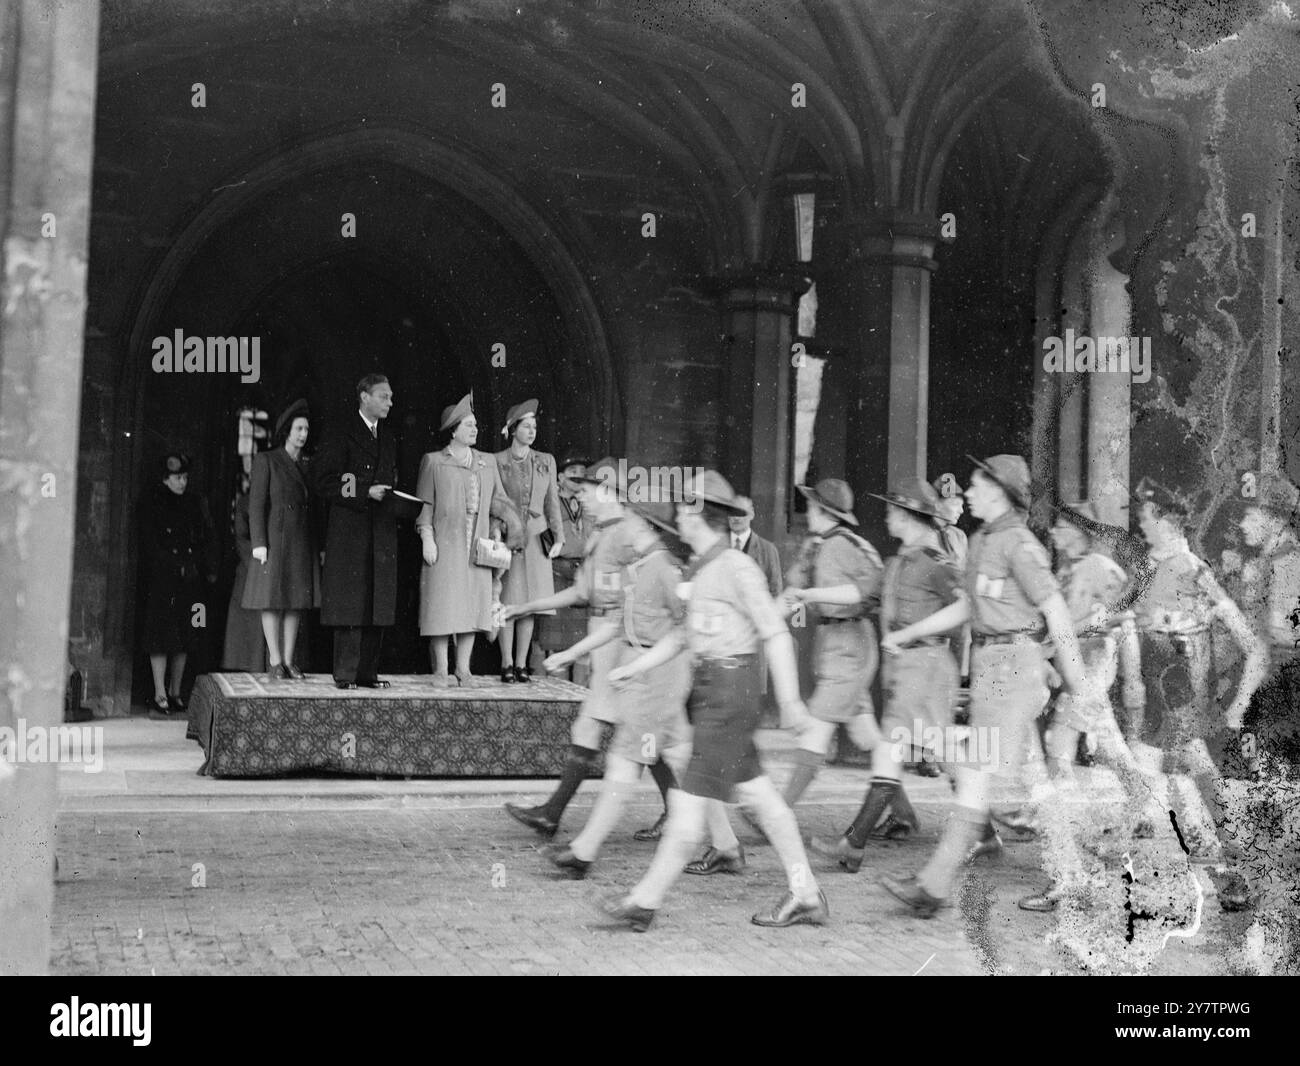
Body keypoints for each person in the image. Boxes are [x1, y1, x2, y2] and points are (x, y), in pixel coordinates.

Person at [596, 469, 828, 932]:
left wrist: (792, 705)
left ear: (700, 514)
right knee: (762, 797)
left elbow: (776, 634)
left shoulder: (737, 568)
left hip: (731, 691)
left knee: (688, 804)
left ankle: (645, 900)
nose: (678, 515)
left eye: (684, 507)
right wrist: (634, 667)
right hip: (712, 691)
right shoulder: (701, 568)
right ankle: (805, 892)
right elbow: (682, 637)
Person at [878, 455, 1098, 917]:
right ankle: (1072, 876)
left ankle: (932, 888)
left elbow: (1055, 612)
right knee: (1032, 781)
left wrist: (1079, 682)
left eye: (976, 484)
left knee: (975, 780)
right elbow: (968, 610)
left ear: (998, 491)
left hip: (1013, 669)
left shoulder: (1020, 544)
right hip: (992, 666)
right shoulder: (981, 541)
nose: (967, 493)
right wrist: (908, 633)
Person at [1016, 500, 1167, 910]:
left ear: (1083, 532)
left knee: (1056, 757)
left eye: (1064, 528)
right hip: (1077, 672)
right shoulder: (1069, 570)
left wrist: (1130, 679)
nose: (1055, 535)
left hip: (1090, 673)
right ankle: (1131, 818)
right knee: (1115, 757)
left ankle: (1065, 874)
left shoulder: (1101, 569)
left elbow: (1122, 620)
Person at [810, 477, 960, 871]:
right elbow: (861, 596)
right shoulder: (896, 564)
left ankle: (854, 842)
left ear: (911, 516)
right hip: (907, 668)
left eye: (893, 510)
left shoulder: (935, 564)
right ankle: (985, 833)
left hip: (927, 666)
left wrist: (915, 634)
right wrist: (809, 596)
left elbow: (965, 609)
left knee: (899, 752)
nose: (887, 517)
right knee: (938, 752)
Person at [1131, 479, 1267, 911]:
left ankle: (1236, 870)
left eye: (1145, 516)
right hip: (1161, 687)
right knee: (1178, 786)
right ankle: (1230, 875)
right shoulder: (1155, 565)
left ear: (1168, 522)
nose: (1139, 523)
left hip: (1179, 688)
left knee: (1187, 776)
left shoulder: (1191, 566)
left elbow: (1237, 626)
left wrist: (1246, 662)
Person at [538, 500, 692, 877]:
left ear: (650, 528)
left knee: (626, 763)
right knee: (676, 761)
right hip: (644, 673)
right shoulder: (638, 568)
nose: (628, 527)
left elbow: (687, 628)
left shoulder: (665, 569)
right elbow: (617, 626)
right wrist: (569, 653)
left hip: (658, 678)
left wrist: (648, 668)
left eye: (635, 522)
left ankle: (585, 850)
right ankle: (726, 845)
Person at [501, 457, 635, 836]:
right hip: (605, 642)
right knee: (644, 738)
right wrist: (524, 607)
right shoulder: (601, 534)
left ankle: (552, 815)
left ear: (609, 492)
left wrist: (571, 654)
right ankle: (551, 814)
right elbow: (580, 592)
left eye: (589, 489)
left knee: (607, 730)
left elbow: (622, 614)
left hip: (621, 645)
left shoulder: (624, 537)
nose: (582, 496)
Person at [776, 478, 884, 810]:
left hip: (850, 640)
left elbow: (865, 591)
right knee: (867, 736)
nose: (807, 510)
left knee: (815, 730)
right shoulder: (819, 544)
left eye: (810, 505)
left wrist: (810, 595)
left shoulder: (843, 545)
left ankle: (777, 811)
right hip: (836, 641)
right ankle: (902, 814)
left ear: (822, 510)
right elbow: (793, 592)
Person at [415, 392, 522, 687]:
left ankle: (464, 668)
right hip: (445, 542)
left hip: (477, 543)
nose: (475, 430)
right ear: (454, 430)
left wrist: (506, 529)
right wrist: (427, 537)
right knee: (442, 605)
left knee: (472, 605)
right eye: (469, 425)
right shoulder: (434, 462)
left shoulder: (487, 462)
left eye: (475, 425)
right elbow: (425, 505)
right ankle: (440, 670)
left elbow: (500, 501)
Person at [313, 373, 399, 690]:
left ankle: (367, 673)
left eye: (390, 397)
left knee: (376, 599)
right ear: (364, 396)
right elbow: (325, 481)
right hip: (350, 531)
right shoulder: (341, 432)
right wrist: (364, 492)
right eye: (384, 396)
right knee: (351, 601)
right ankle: (346, 673)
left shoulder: (387, 438)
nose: (390, 402)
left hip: (380, 531)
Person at [241, 399, 319, 680]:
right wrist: (259, 543)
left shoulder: (307, 465)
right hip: (274, 542)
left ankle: (288, 661)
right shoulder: (267, 460)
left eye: (306, 429)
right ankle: (275, 660)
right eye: (298, 428)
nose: (303, 434)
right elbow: (256, 505)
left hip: (299, 543)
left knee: (295, 601)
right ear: (287, 431)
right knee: (272, 600)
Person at [139, 453, 218, 715]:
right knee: (160, 637)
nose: (182, 482)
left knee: (185, 636)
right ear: (165, 478)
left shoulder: (193, 503)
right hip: (163, 579)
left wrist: (195, 565)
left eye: (185, 477)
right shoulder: (153, 503)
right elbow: (150, 544)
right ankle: (159, 693)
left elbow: (203, 538)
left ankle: (175, 692)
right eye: (177, 477)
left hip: (188, 579)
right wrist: (172, 565)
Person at [494, 399, 565, 683]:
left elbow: (552, 503)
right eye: (526, 426)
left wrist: (559, 536)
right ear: (513, 430)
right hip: (509, 535)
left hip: (536, 537)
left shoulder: (545, 460)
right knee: (507, 599)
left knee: (530, 603)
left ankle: (522, 664)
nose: (532, 431)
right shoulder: (497, 460)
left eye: (534, 426)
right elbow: (495, 501)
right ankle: (506, 663)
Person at [538, 456, 591, 684]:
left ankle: (579, 699)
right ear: (560, 477)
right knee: (554, 645)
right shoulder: (550, 503)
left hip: (583, 574)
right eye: (572, 470)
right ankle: (555, 697)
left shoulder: (590, 504)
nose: (578, 475)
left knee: (583, 647)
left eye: (582, 471)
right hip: (557, 574)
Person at [220, 473, 267, 672]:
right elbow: (240, 537)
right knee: (250, 624)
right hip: (252, 569)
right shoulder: (245, 503)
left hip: (272, 568)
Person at [729, 495, 783, 596]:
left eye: (741, 513)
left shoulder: (768, 550)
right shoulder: (718, 546)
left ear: (752, 514)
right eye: (732, 513)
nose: (736, 518)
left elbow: (775, 592)